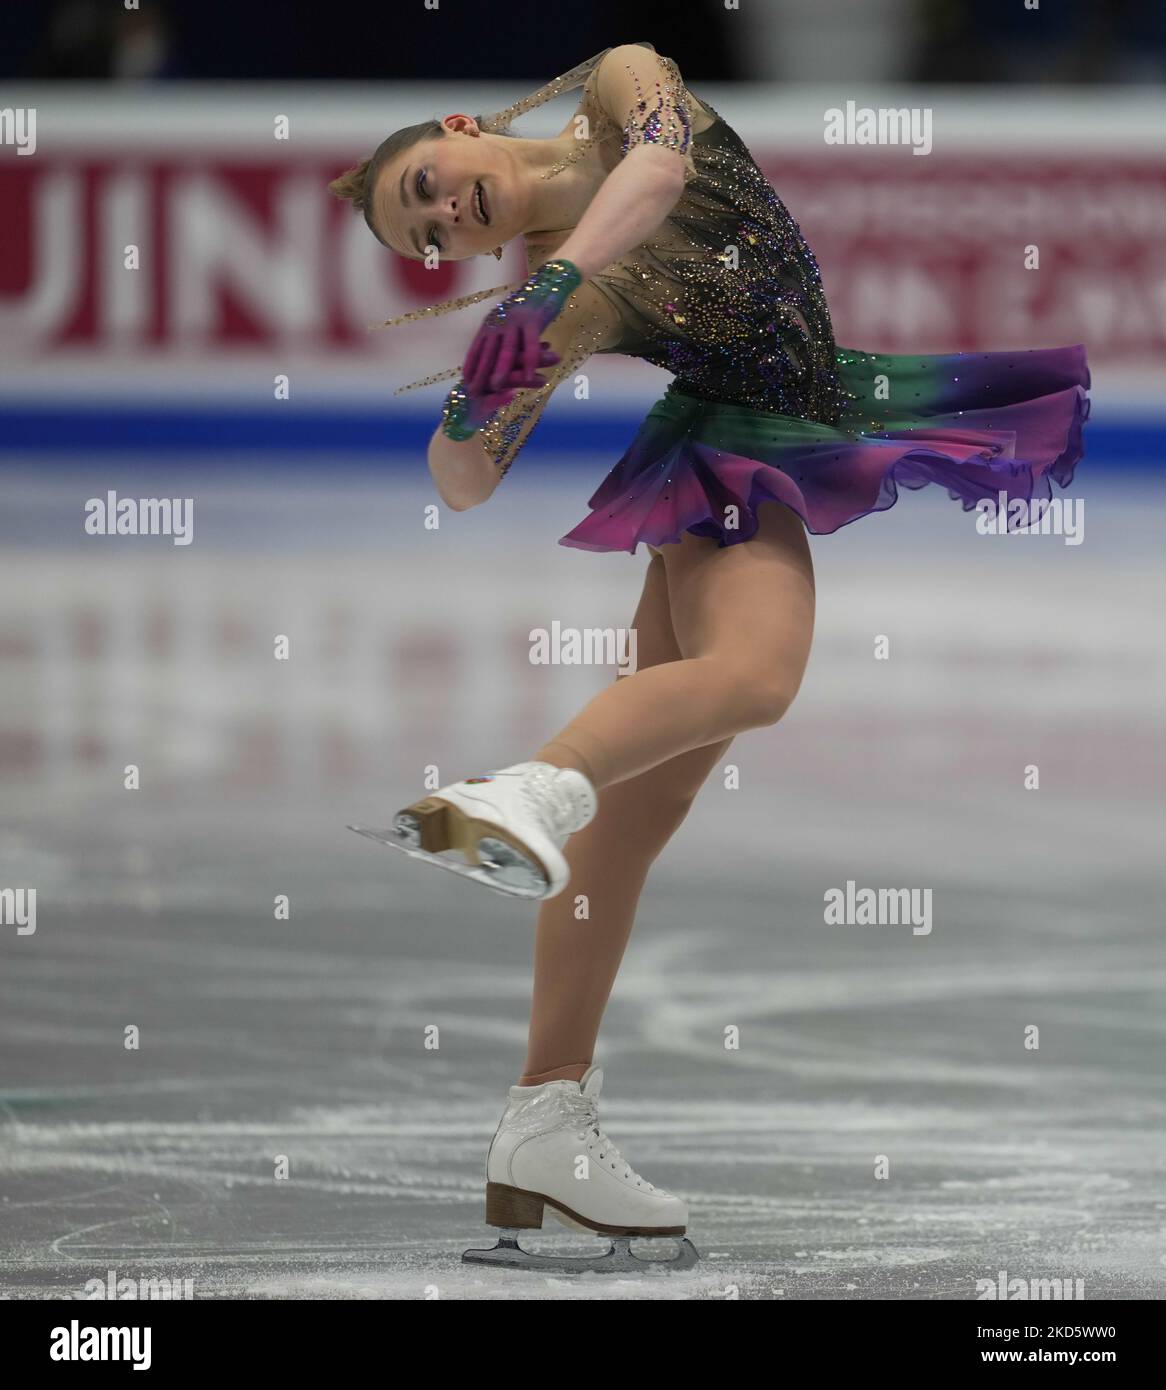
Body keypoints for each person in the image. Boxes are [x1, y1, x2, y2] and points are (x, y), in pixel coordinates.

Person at [330, 42, 1089, 1271]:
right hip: (730, 444)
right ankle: (526, 788)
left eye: (425, 184)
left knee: (633, 824)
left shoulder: (621, 81)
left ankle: (541, 1117)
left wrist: (550, 285)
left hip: (777, 412)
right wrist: (478, 394)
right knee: (754, 676)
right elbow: (461, 483)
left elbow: (663, 174)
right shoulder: (551, 309)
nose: (440, 220)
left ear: (460, 128)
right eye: (423, 241)